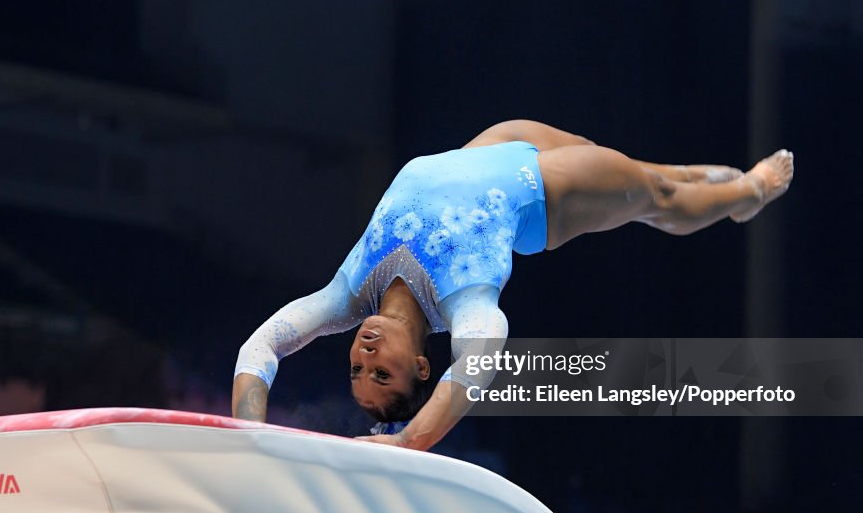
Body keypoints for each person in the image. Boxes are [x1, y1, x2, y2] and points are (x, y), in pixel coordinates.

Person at [231, 120, 794, 451]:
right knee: (656, 197)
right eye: (383, 373)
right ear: (424, 367)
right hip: (544, 192)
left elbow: (258, 349)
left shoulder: (347, 294)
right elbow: (479, 362)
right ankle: (748, 195)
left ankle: (700, 176)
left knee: (640, 169)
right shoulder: (463, 302)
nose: (366, 356)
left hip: (492, 144)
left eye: (357, 368)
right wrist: (411, 441)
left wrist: (250, 442)